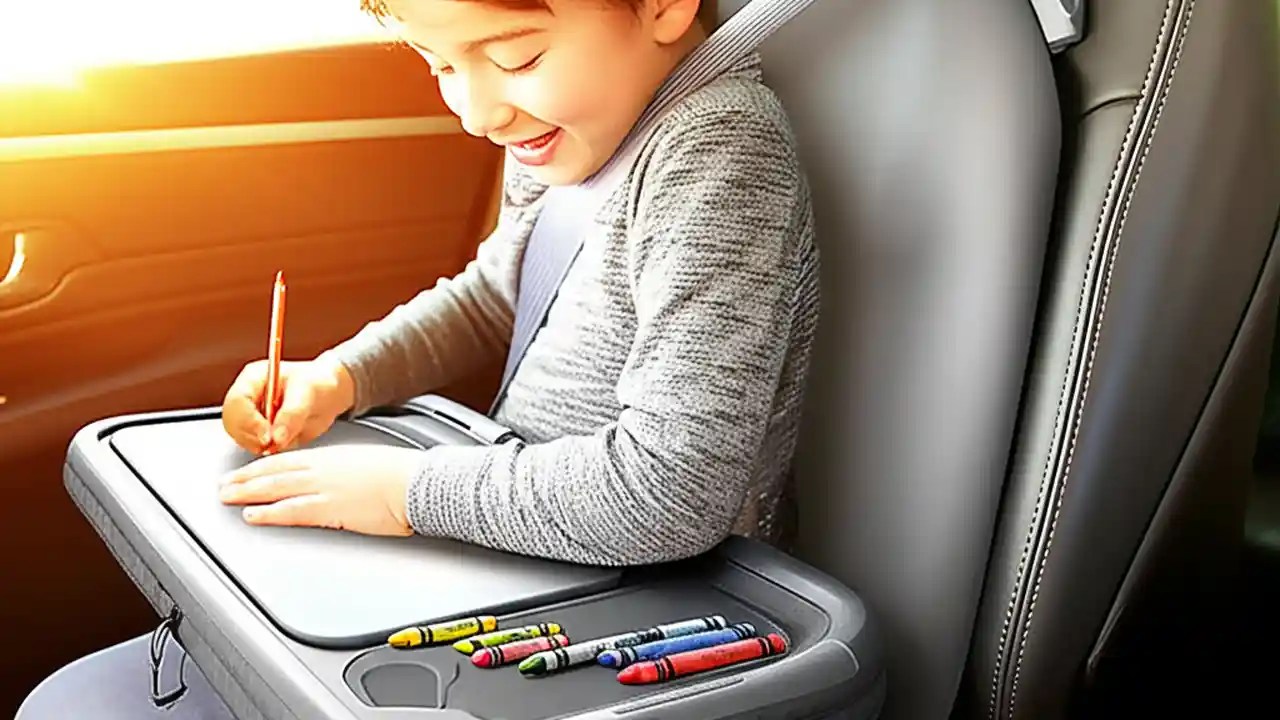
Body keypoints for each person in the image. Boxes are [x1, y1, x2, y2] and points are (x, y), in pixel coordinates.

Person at [218, 0, 818, 567]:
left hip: (656, 600)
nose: (477, 115)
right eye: (443, 64)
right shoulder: (566, 136)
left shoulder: (720, 147)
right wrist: (344, 375)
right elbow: (496, 299)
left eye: (518, 61)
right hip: (519, 533)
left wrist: (402, 491)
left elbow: (673, 490)